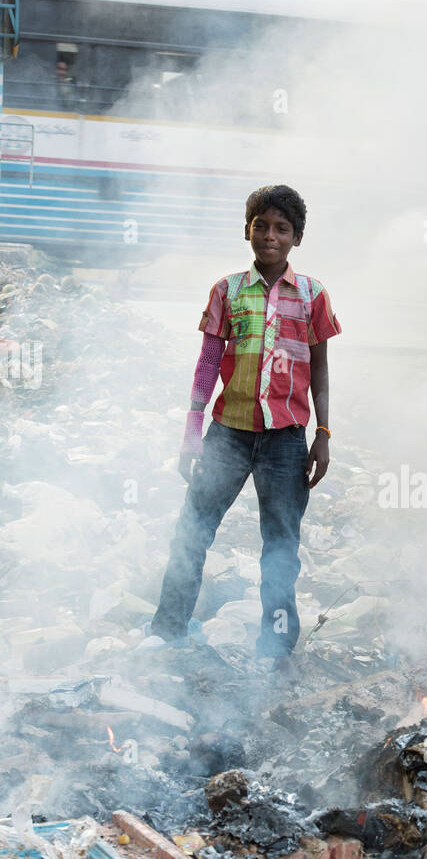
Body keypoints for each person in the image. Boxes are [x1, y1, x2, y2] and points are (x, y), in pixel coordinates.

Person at [143, 184, 340, 670]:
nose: (270, 237)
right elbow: (207, 365)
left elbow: (319, 370)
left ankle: (274, 649)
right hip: (227, 435)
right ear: (247, 229)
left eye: (281, 229)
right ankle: (167, 632)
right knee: (192, 531)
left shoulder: (312, 295)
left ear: (297, 237)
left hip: (287, 441)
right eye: (261, 226)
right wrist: (192, 434)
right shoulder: (227, 290)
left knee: (280, 548)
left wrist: (323, 434)